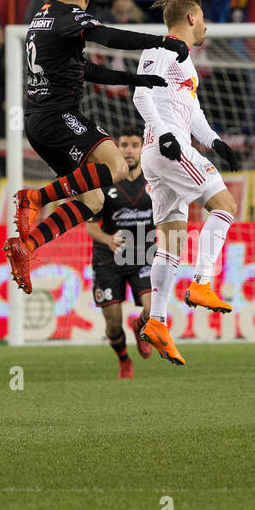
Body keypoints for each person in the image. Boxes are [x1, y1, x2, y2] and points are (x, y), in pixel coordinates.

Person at [0, 0, 181, 295]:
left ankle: (28, 246)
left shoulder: (40, 20)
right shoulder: (70, 16)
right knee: (118, 168)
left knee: (94, 200)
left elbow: (84, 70)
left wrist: (134, 79)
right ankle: (35, 197)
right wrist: (162, 42)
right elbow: (109, 37)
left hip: (37, 123)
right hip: (59, 117)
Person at [130, 0, 241, 366]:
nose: (206, 25)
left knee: (172, 239)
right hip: (167, 147)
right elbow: (140, 96)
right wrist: (163, 134)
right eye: (204, 16)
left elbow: (191, 113)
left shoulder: (184, 62)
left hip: (161, 153)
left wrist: (215, 142)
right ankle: (202, 282)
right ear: (192, 17)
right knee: (225, 206)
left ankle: (158, 321)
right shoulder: (162, 48)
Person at [84, 132, 155, 378]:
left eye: (135, 145)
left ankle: (140, 325)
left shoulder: (154, 181)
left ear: (142, 149)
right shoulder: (105, 183)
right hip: (108, 260)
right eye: (124, 145)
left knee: (153, 307)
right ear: (117, 148)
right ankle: (124, 359)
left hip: (142, 257)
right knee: (113, 322)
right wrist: (107, 239)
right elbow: (91, 226)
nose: (128, 150)